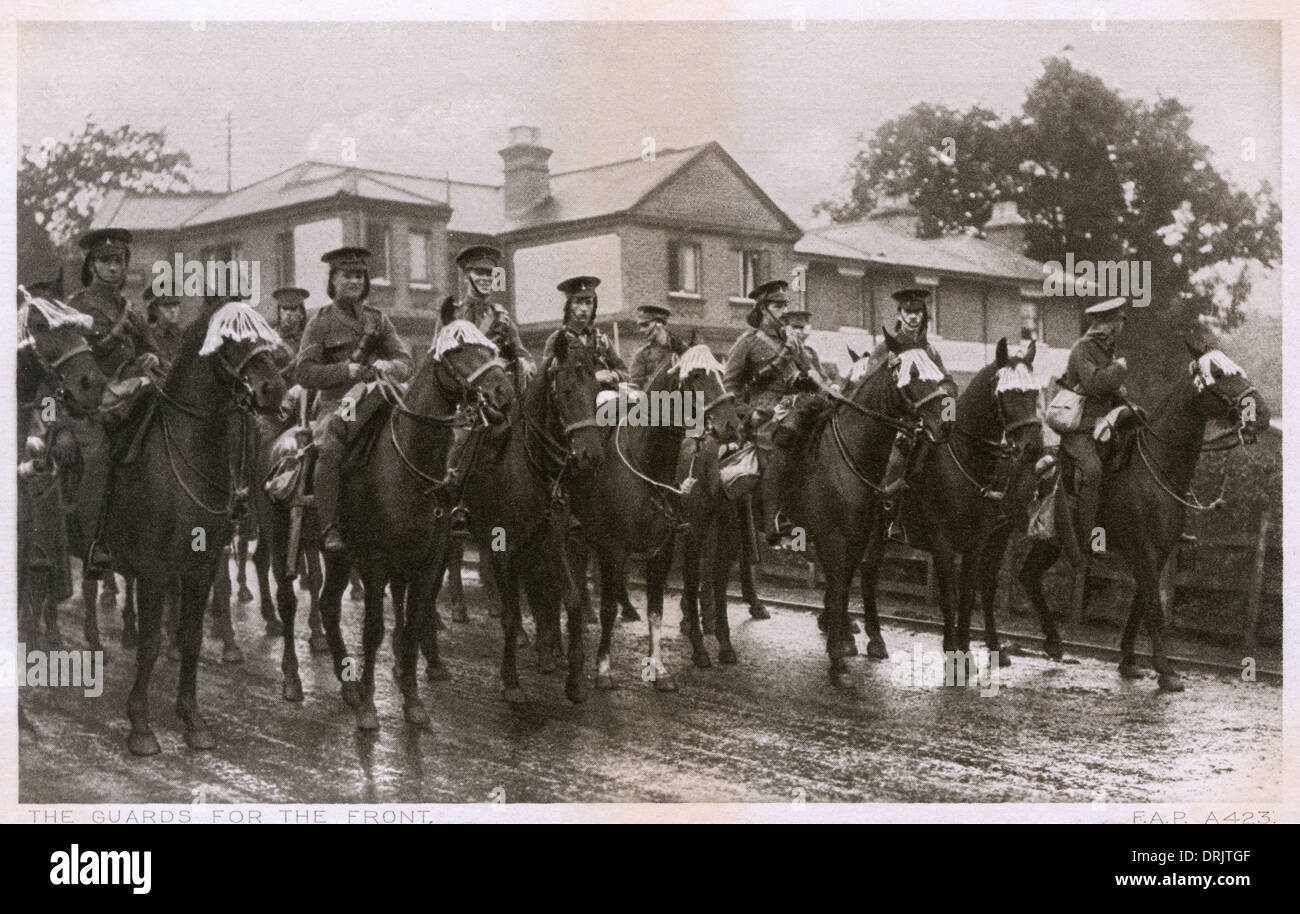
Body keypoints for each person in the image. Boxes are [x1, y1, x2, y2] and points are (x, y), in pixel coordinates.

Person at [296, 247, 413, 554]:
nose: (354, 281)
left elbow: (405, 360)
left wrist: (390, 366)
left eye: (359, 275)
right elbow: (304, 373)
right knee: (333, 441)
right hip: (341, 402)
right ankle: (329, 525)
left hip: (381, 395)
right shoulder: (319, 323)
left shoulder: (378, 319)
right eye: (346, 275)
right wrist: (344, 370)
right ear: (332, 280)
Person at [69, 228, 163, 575]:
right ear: (91, 265)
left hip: (130, 396)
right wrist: (112, 336)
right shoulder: (76, 307)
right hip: (87, 404)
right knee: (98, 457)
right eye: (106, 261)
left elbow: (153, 348)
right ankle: (93, 544)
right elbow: (72, 361)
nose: (114, 268)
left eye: (119, 261)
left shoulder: (131, 309)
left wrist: (152, 357)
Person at [723, 279, 822, 546]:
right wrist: (746, 414)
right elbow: (729, 386)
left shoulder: (793, 341)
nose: (783, 311)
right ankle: (773, 520)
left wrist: (825, 386)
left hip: (796, 405)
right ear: (763, 309)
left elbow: (813, 371)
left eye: (785, 305)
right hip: (764, 413)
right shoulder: (748, 342)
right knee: (780, 447)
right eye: (778, 306)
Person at [869, 287, 949, 542]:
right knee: (894, 464)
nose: (914, 317)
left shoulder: (931, 351)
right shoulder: (886, 348)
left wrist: (947, 405)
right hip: (896, 421)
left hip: (926, 419)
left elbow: (948, 382)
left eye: (918, 312)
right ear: (900, 314)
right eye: (908, 312)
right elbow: (871, 384)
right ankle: (887, 522)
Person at [1060, 296, 1129, 547]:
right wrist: (1118, 371)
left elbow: (1104, 386)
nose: (1122, 326)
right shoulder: (1083, 348)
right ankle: (1090, 539)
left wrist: (1119, 392)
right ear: (1108, 324)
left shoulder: (1106, 350)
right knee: (1092, 471)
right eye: (1120, 321)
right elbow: (1093, 383)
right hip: (1080, 428)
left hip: (1102, 426)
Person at [541, 276, 628, 386]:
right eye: (577, 302)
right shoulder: (557, 340)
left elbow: (625, 372)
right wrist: (593, 378)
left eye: (588, 302)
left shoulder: (601, 339)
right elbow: (549, 381)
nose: (584, 308)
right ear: (568, 306)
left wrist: (614, 375)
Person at [629, 303, 686, 390]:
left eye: (645, 325)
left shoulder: (682, 349)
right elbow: (635, 386)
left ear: (659, 323)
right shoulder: (642, 355)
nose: (642, 329)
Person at [144, 287, 184, 376]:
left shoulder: (184, 335)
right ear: (154, 310)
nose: (173, 310)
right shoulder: (145, 335)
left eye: (176, 305)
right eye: (166, 306)